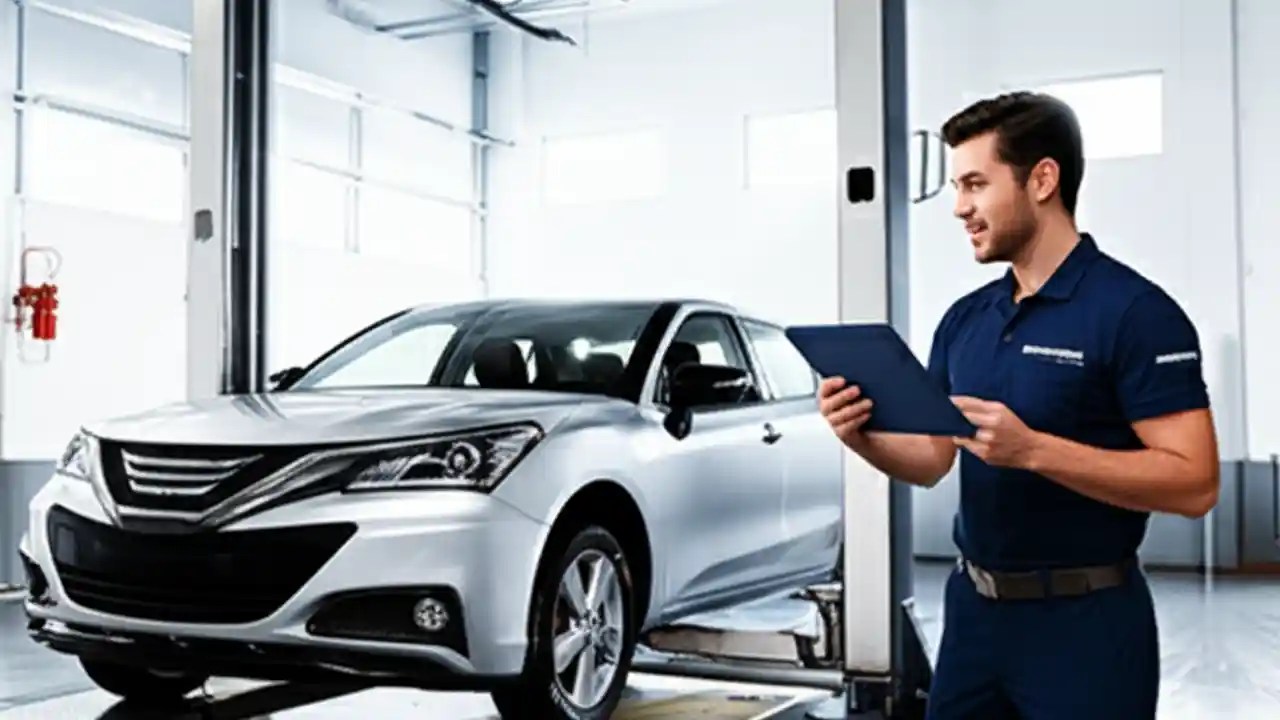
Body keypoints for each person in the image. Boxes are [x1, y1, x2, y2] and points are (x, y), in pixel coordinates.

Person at [818, 92, 1220, 719]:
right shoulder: (966, 320)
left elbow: (1195, 484)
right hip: (973, 618)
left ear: (1042, 180)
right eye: (956, 187)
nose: (960, 208)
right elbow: (930, 460)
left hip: (1086, 626)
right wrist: (859, 435)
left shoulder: (1137, 314)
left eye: (976, 184)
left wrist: (1033, 450)